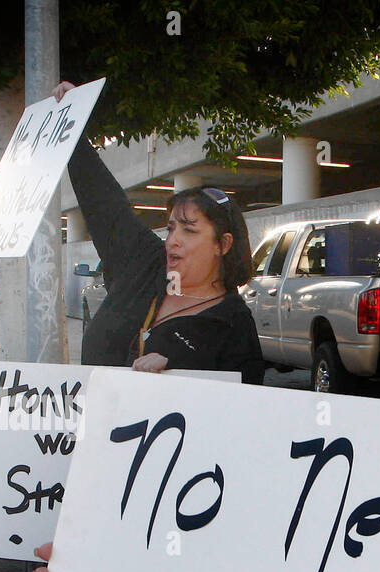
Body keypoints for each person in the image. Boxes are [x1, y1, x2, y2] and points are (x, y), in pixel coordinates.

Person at [55, 80, 264, 384]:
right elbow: (104, 203)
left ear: (223, 244)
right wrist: (73, 124)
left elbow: (244, 414)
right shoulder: (143, 265)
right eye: (170, 228)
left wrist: (179, 372)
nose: (173, 240)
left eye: (190, 230)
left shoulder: (232, 325)